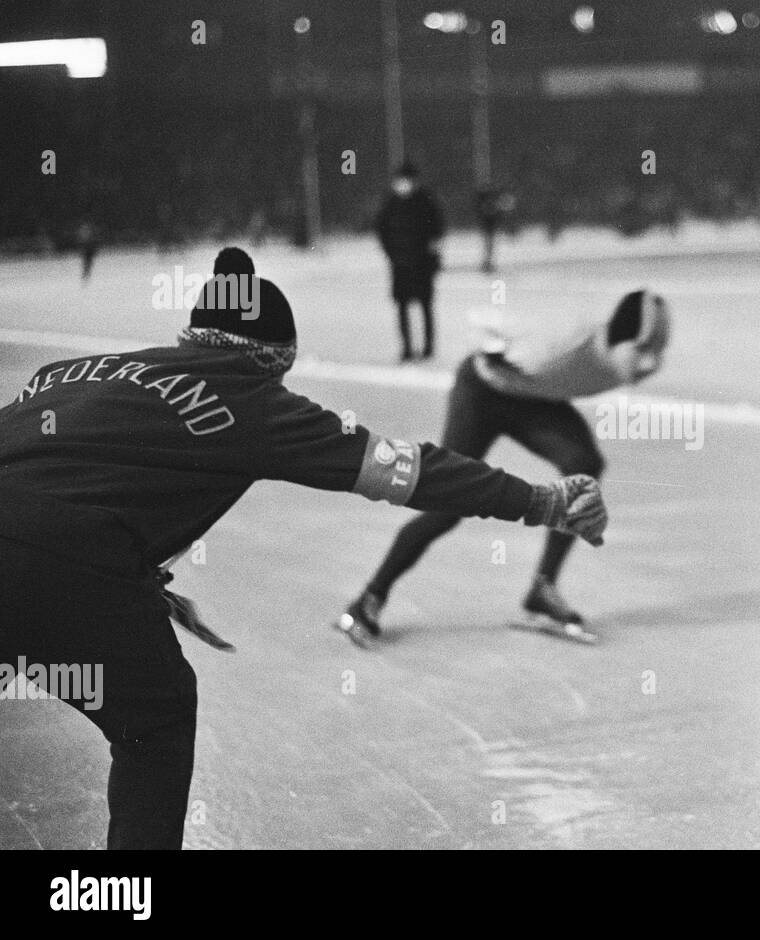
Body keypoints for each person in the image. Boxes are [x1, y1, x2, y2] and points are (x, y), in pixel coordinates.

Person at [0, 247, 608, 849]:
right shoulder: (256, 403)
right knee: (153, 724)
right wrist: (540, 501)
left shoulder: (66, 374)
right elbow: (412, 472)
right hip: (69, 566)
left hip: (51, 554)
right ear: (273, 362)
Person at [336, 289, 670, 646]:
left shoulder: (618, 360)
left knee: (584, 465)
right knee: (447, 505)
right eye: (641, 351)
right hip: (483, 394)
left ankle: (543, 590)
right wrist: (496, 352)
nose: (650, 364)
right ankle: (368, 600)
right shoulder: (559, 347)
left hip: (532, 400)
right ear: (619, 340)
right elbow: (484, 324)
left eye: (656, 353)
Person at [376, 162, 447, 361]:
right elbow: (382, 230)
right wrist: (391, 253)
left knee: (425, 305)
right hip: (401, 264)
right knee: (403, 306)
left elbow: (437, 231)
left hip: (422, 263)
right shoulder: (392, 203)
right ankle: (407, 348)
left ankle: (428, 348)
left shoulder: (425, 201)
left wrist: (433, 258)